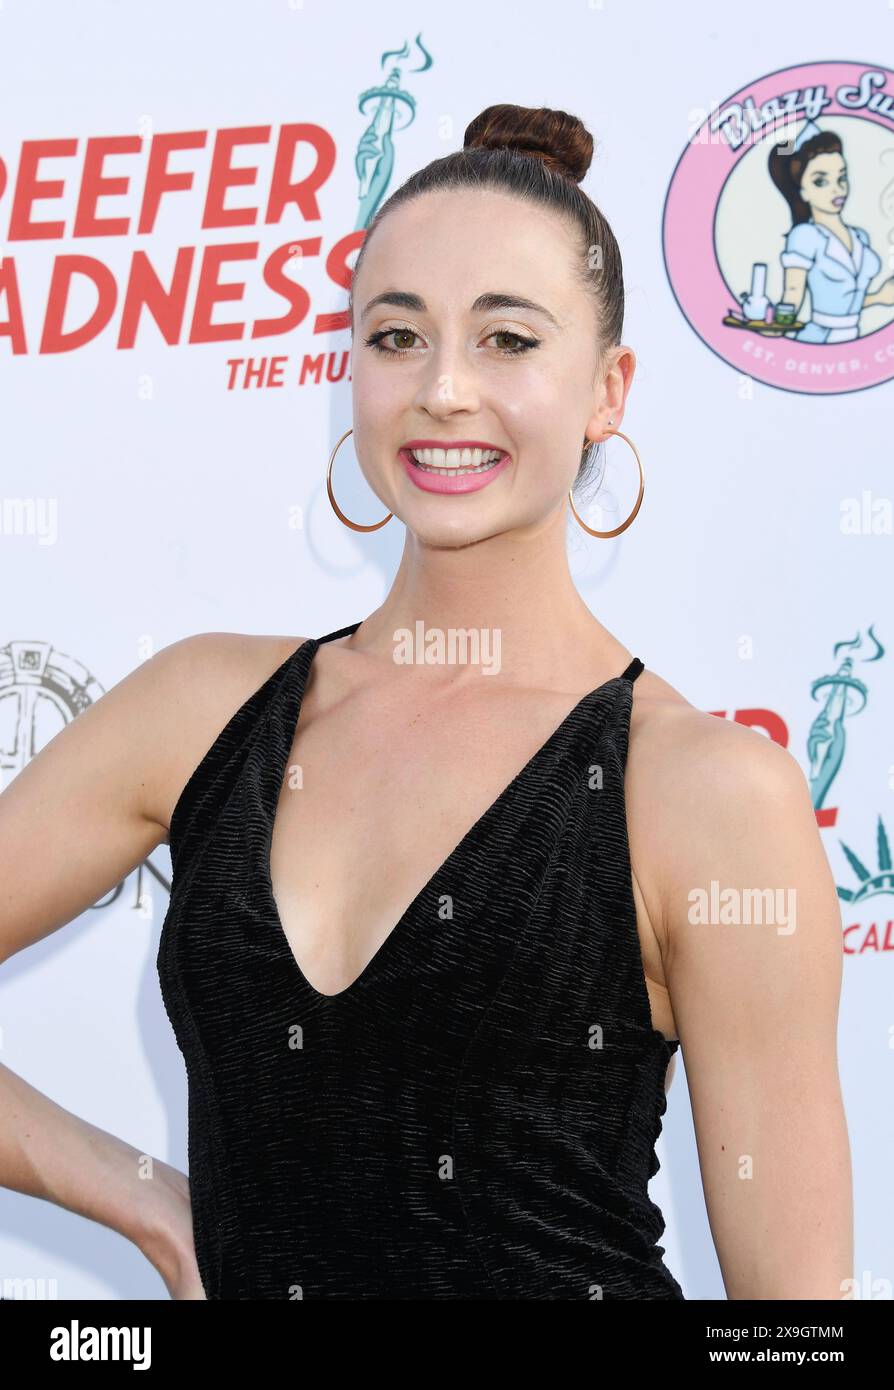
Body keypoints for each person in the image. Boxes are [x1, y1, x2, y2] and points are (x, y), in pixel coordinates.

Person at [0, 104, 852, 1300]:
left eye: (508, 340)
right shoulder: (199, 708)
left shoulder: (702, 789)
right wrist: (138, 1190)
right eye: (397, 336)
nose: (445, 388)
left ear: (609, 389)